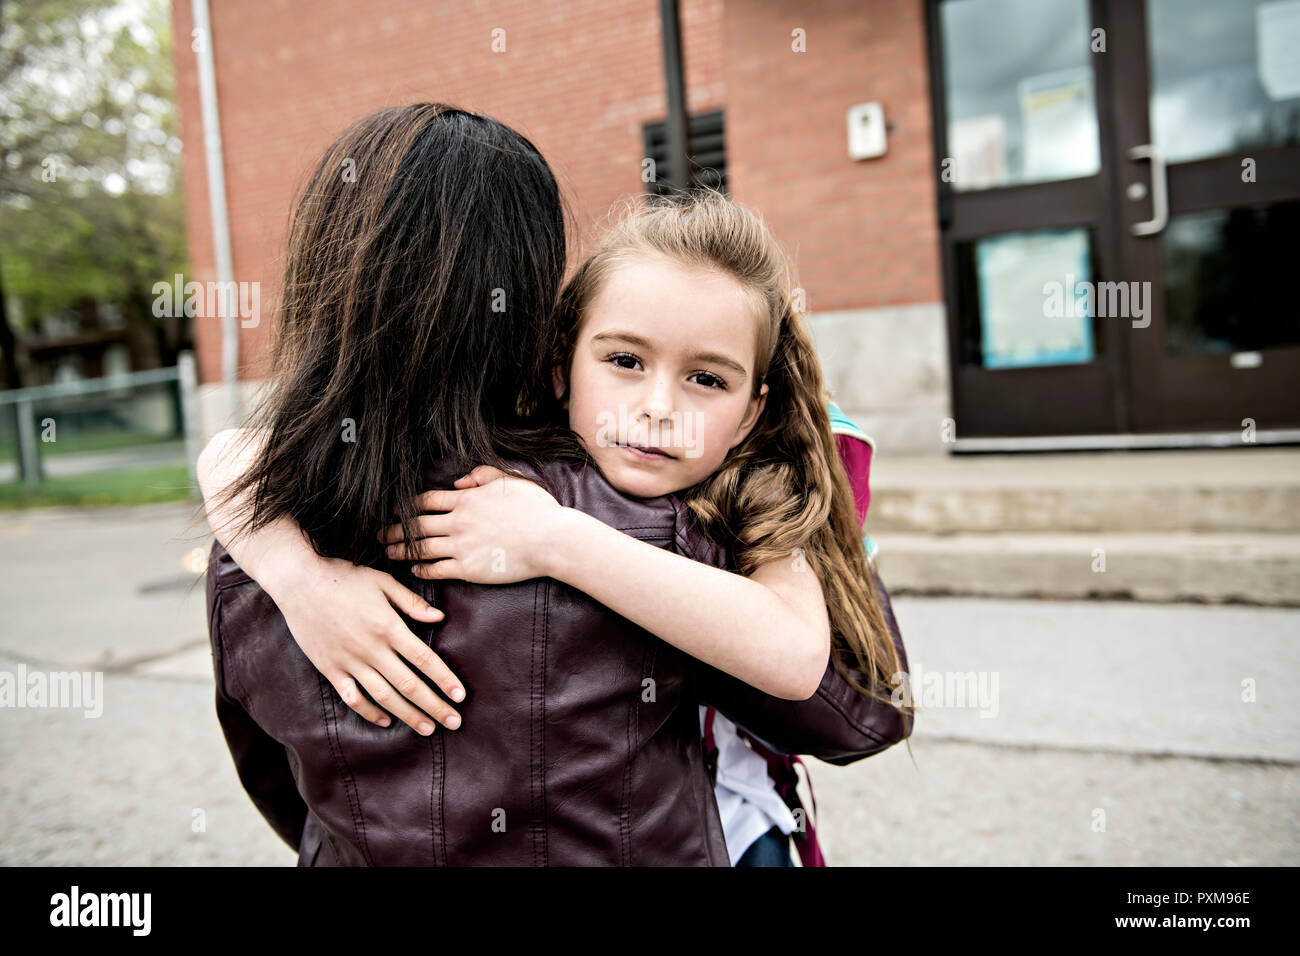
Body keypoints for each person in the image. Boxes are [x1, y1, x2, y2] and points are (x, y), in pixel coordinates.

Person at [202, 105, 913, 865]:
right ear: (539, 314)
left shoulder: (250, 540)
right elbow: (860, 715)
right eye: (624, 361)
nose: (658, 409)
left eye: (705, 378)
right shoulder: (649, 521)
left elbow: (281, 788)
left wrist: (295, 577)